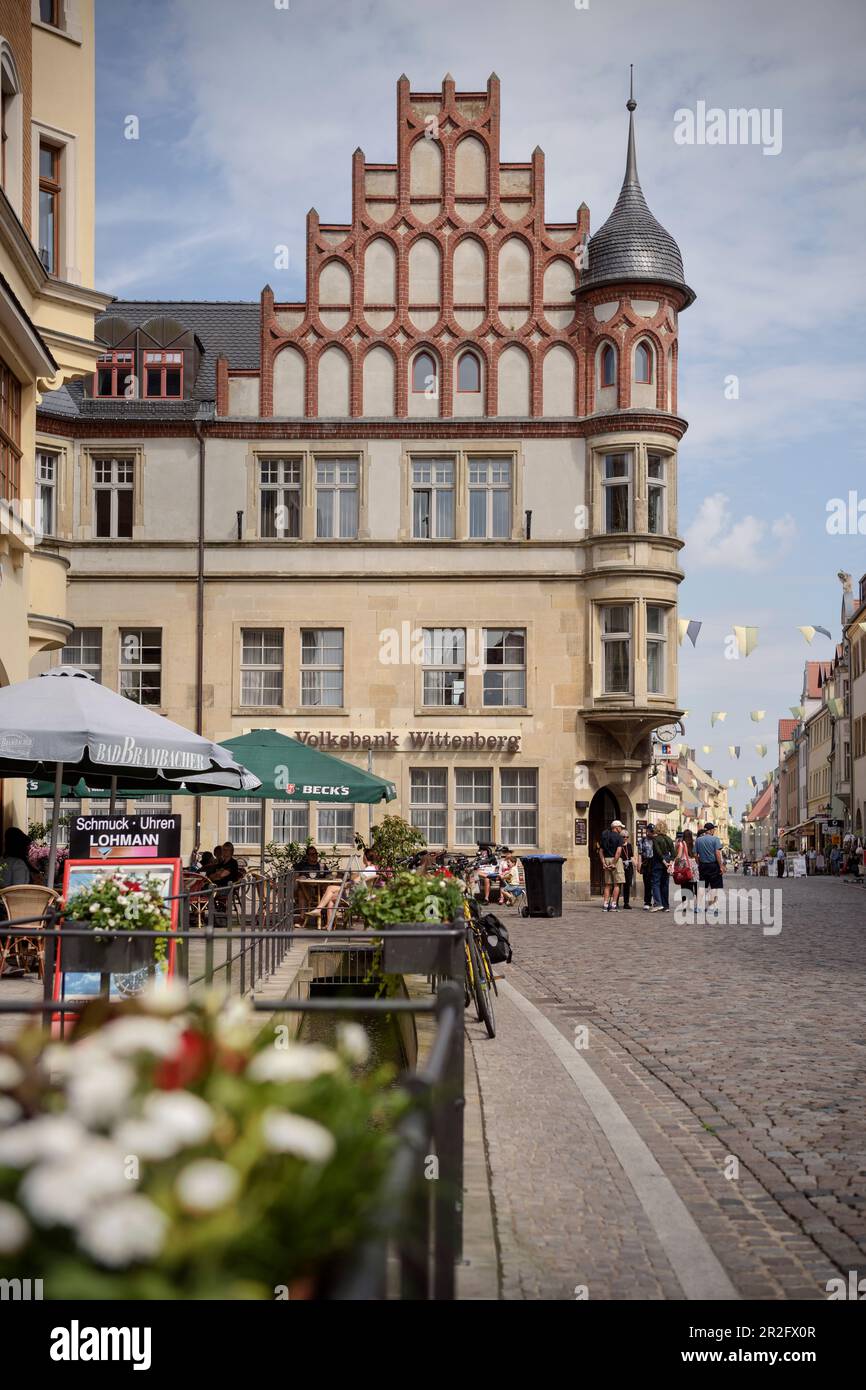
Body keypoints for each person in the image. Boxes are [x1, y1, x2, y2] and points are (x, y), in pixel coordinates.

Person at [598, 817, 626, 912]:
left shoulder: (604, 836)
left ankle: (605, 904)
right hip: (616, 860)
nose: (621, 829)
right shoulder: (619, 837)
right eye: (620, 827)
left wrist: (603, 863)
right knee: (617, 884)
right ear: (616, 827)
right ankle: (613, 904)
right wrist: (614, 863)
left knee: (607, 884)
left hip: (606, 859)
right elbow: (618, 852)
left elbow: (600, 851)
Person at [695, 822, 724, 904]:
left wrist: (698, 863)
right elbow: (717, 853)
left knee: (702, 886)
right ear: (710, 830)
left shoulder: (698, 840)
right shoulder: (715, 839)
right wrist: (721, 866)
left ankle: (699, 906)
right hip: (713, 865)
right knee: (714, 886)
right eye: (713, 829)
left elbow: (695, 854)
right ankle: (711, 905)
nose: (714, 831)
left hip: (703, 865)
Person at [650, 819, 675, 911]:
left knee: (655, 883)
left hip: (658, 861)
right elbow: (673, 853)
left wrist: (664, 862)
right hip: (668, 859)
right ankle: (666, 906)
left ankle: (658, 903)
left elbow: (658, 852)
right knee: (665, 884)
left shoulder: (656, 839)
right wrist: (670, 863)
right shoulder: (669, 839)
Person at [674, 829, 698, 899]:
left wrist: (675, 863)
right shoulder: (693, 844)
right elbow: (695, 855)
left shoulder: (682, 844)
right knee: (692, 885)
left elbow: (679, 855)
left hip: (685, 866)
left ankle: (685, 905)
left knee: (684, 886)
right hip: (693, 866)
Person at [620, 833, 635, 909]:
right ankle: (615, 902)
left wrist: (636, 865)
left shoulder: (629, 845)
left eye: (627, 837)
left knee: (627, 885)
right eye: (623, 837)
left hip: (628, 866)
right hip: (621, 865)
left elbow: (632, 856)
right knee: (618, 884)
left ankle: (626, 903)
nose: (625, 838)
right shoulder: (619, 845)